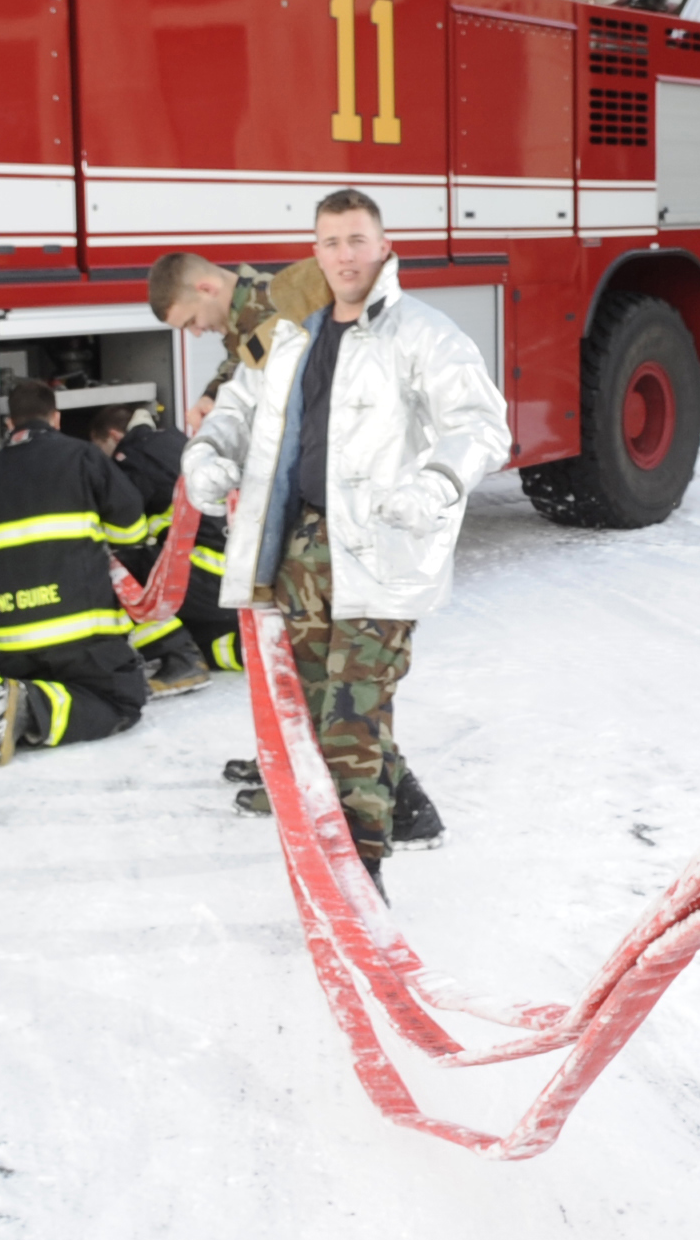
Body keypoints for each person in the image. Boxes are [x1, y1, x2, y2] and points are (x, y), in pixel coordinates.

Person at [180, 188, 509, 892]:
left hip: (381, 549)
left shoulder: (423, 333)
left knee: (350, 718)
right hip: (300, 552)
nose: (344, 256)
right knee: (312, 706)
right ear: (316, 251)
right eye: (330, 242)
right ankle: (401, 816)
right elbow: (238, 404)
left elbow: (481, 423)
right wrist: (208, 452)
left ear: (384, 246)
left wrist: (437, 485)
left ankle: (360, 880)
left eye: (357, 240)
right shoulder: (291, 331)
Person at [0, 379, 153, 765]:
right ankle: (28, 705)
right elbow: (132, 528)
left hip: (15, 638)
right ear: (55, 418)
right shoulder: (81, 457)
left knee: (55, 684)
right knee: (121, 701)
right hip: (81, 630)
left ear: (10, 424)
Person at [83, 399, 212, 697]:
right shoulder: (173, 440)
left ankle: (180, 659)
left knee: (114, 568)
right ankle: (192, 650)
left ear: (114, 436)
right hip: (227, 573)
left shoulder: (131, 458)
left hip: (205, 573)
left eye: (100, 446)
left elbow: (125, 525)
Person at [150, 248, 330, 432]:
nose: (196, 332)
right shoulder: (243, 321)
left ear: (207, 289)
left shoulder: (273, 311)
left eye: (192, 321)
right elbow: (240, 362)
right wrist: (210, 396)